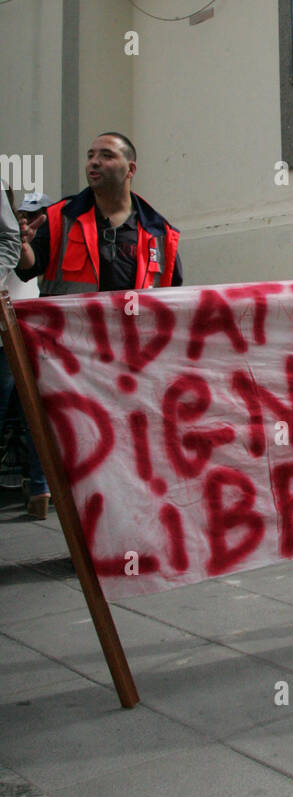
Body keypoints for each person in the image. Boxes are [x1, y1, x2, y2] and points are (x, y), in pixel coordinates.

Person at [16, 132, 183, 293]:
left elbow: (173, 301)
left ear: (130, 169)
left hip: (133, 322)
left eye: (107, 156)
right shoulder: (59, 217)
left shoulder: (160, 232)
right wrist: (22, 247)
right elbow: (28, 268)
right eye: (90, 156)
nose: (94, 162)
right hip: (70, 322)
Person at [0, 186, 52, 517]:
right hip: (28, 323)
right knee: (35, 414)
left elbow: (24, 262)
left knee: (24, 413)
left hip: (10, 331)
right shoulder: (16, 234)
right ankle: (40, 488)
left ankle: (40, 488)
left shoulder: (15, 235)